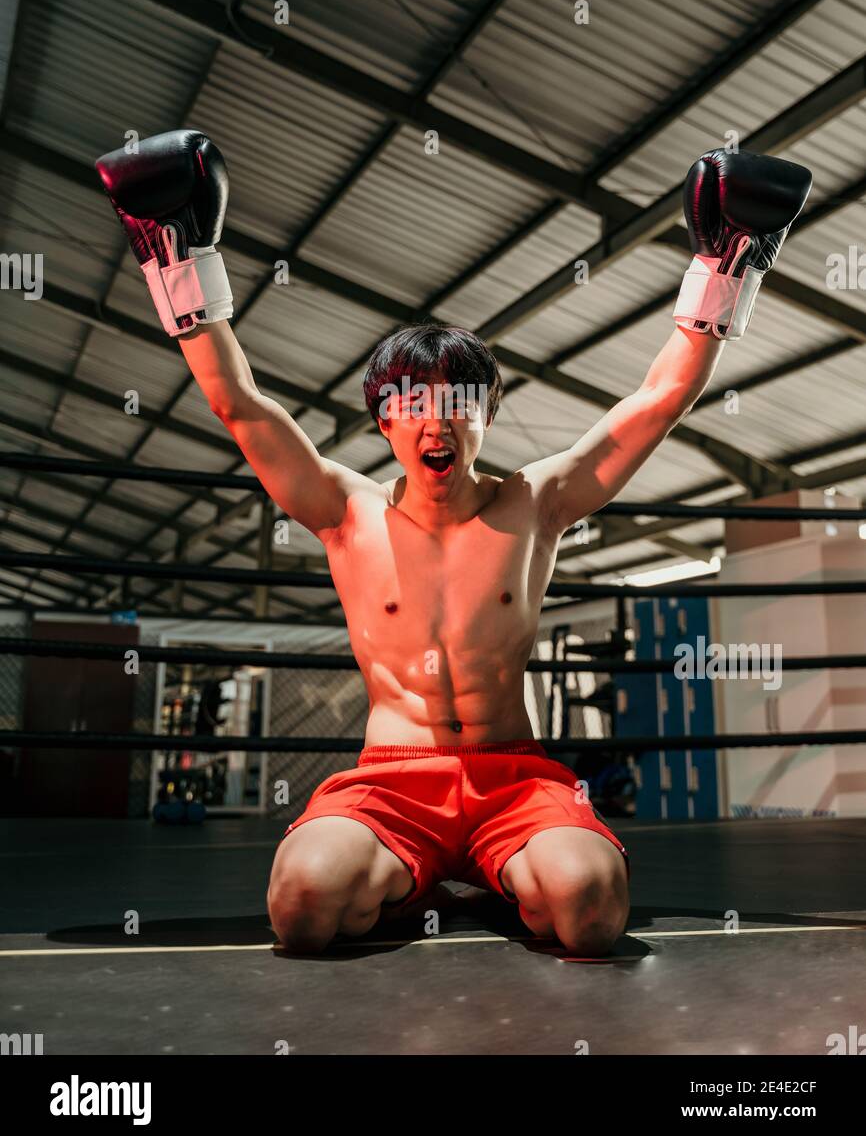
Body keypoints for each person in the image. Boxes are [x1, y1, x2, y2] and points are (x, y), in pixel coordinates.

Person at [96, 133, 811, 955]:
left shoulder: (536, 503)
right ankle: (421, 873)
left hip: (514, 781)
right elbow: (241, 405)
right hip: (392, 786)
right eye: (411, 402)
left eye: (459, 401)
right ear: (383, 421)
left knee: (590, 912)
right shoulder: (342, 509)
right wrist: (175, 253)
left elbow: (658, 399)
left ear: (487, 417)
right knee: (300, 904)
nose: (436, 420)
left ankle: (497, 870)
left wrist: (730, 262)